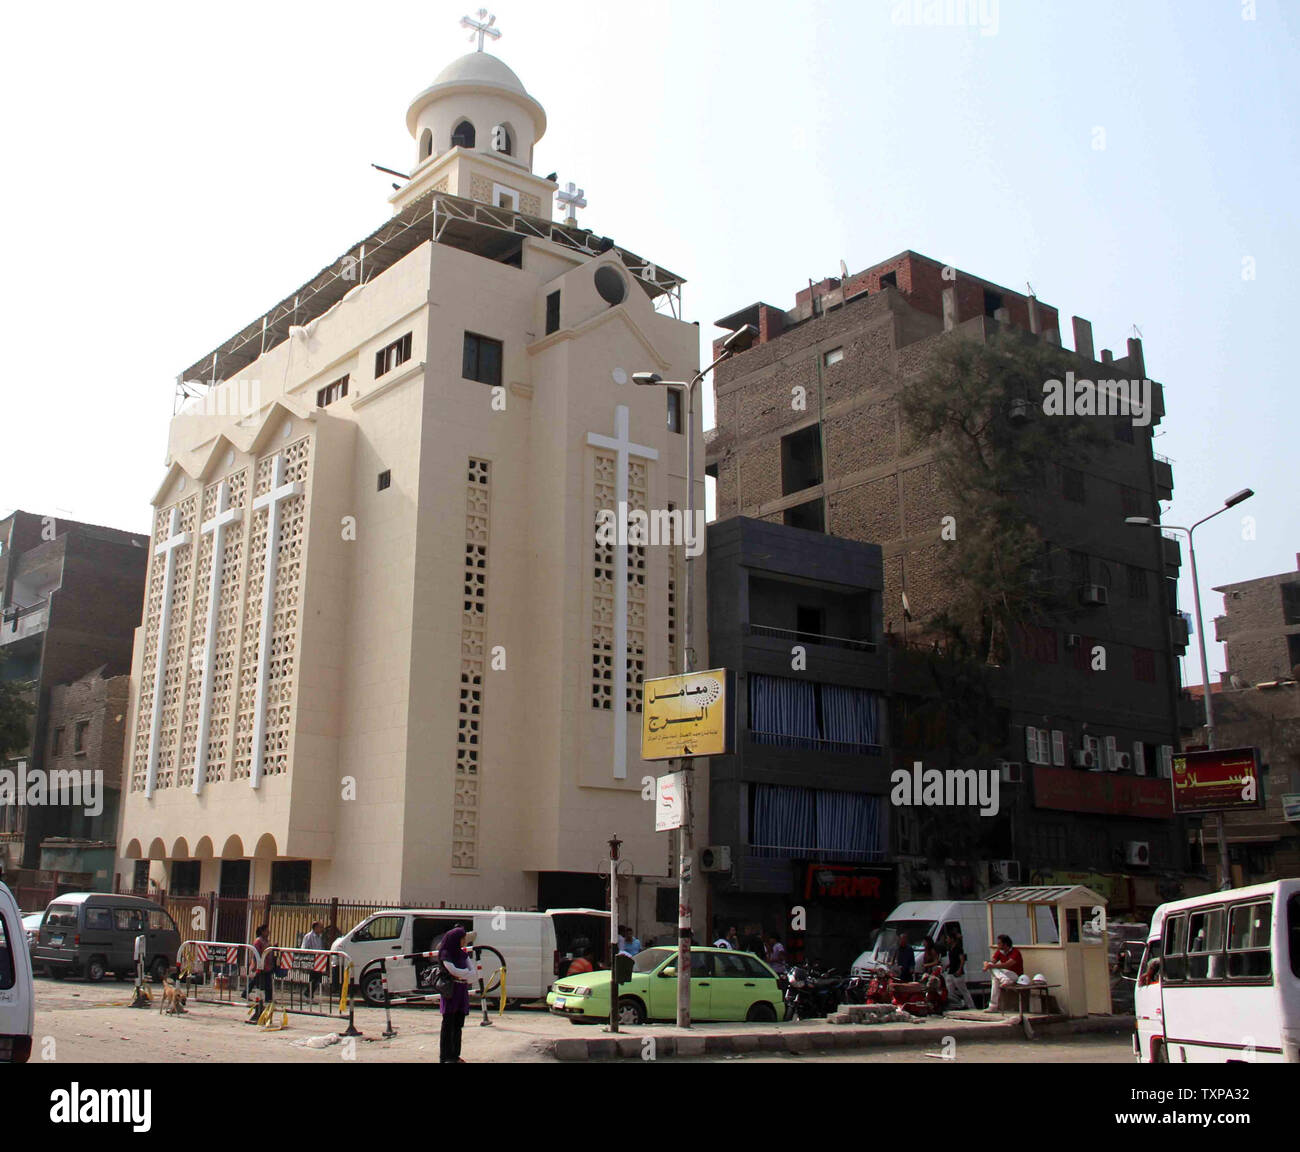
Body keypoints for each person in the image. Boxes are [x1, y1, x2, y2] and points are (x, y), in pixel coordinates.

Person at [437, 926, 476, 1063]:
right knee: (448, 1024)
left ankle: (454, 1055)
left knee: (458, 1024)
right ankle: (445, 1056)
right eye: (462, 938)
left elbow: (473, 973)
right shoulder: (446, 953)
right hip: (451, 991)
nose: (464, 940)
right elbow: (452, 970)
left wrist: (465, 975)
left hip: (461, 991)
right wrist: (465, 974)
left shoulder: (462, 954)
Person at [983, 934, 1024, 1012]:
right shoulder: (999, 952)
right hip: (1004, 975)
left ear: (1005, 944)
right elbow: (992, 962)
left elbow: (1007, 964)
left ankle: (993, 1006)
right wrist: (986, 964)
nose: (997, 945)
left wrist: (990, 966)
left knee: (994, 972)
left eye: (999, 943)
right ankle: (993, 1006)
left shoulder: (1016, 952)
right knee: (995, 978)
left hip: (1015, 975)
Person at [943, 928, 974, 1009]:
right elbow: (953, 959)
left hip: (957, 972)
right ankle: (953, 1004)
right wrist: (948, 965)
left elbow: (962, 960)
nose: (947, 940)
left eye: (948, 938)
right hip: (951, 971)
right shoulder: (950, 949)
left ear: (952, 939)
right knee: (950, 990)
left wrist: (960, 969)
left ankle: (971, 1006)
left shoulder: (958, 948)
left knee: (963, 990)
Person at [301, 921, 325, 999]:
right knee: (313, 978)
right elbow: (304, 948)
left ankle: (309, 993)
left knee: (318, 979)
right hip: (312, 960)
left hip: (319, 960)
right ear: (315, 928)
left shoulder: (320, 937)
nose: (322, 929)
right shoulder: (308, 936)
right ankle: (308, 993)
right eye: (320, 927)